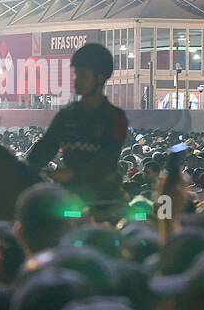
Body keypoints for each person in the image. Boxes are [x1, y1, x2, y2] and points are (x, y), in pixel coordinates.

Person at [24, 43, 129, 208]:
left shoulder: (116, 118)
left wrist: (73, 174)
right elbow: (43, 149)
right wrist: (24, 167)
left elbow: (106, 160)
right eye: (76, 74)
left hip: (105, 200)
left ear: (100, 78)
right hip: (68, 197)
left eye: (82, 75)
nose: (76, 80)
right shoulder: (66, 115)